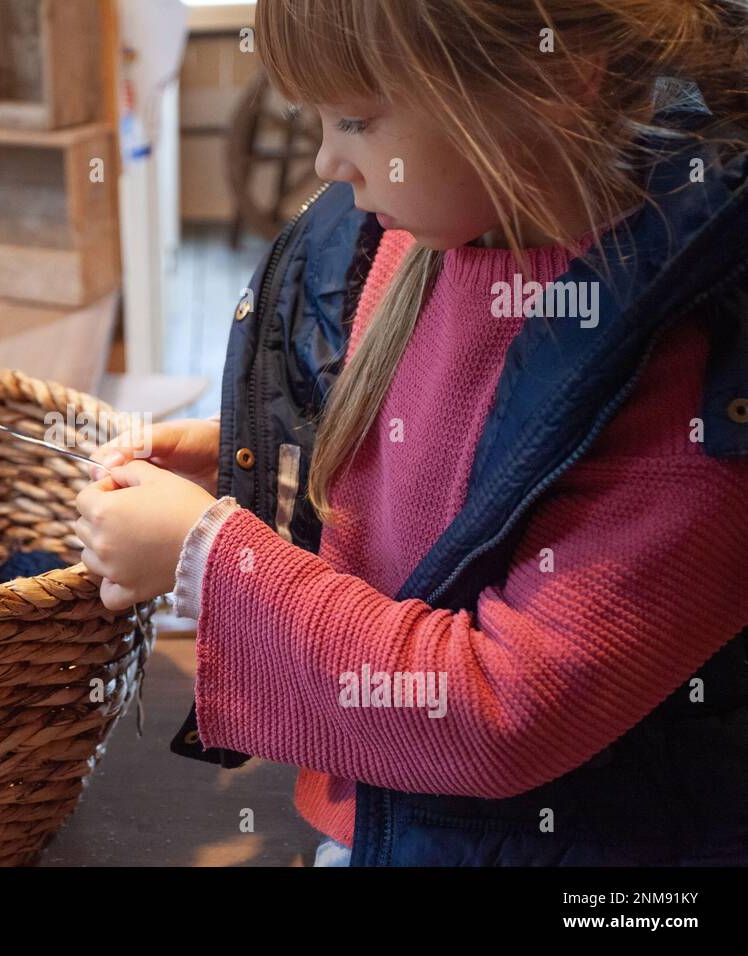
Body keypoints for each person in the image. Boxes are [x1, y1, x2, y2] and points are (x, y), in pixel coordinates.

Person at [76, 0, 748, 866]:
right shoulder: (424, 237)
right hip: (396, 822)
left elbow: (502, 711)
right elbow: (440, 478)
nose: (326, 161)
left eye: (355, 119)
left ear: (552, 83)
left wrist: (209, 559)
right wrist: (258, 471)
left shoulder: (695, 374)